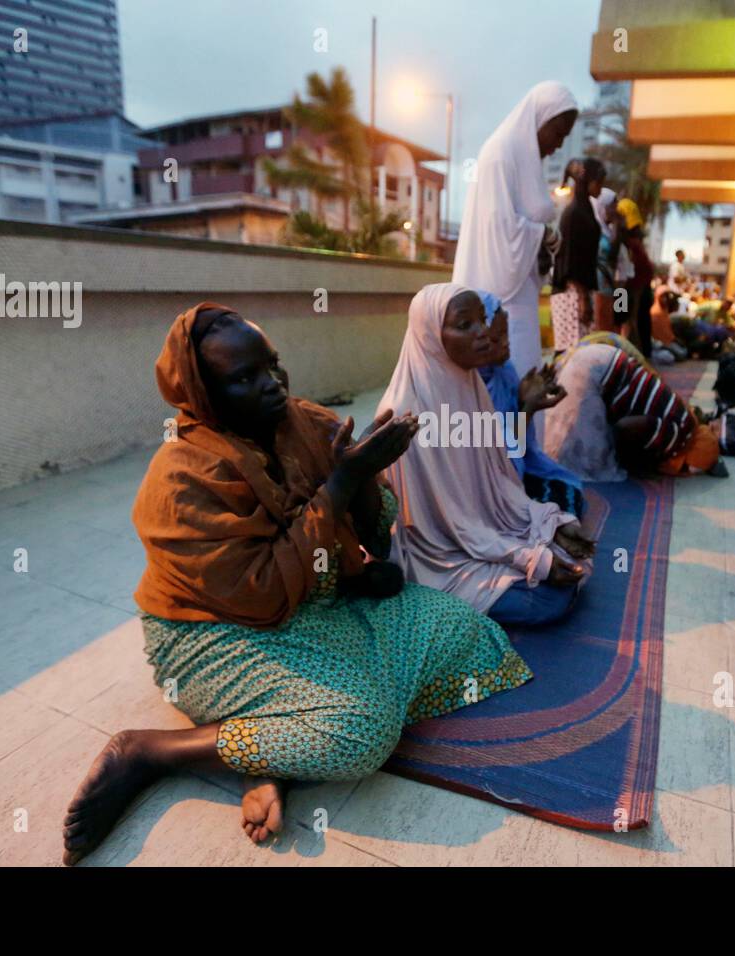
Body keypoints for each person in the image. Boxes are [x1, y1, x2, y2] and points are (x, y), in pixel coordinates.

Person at [61, 303, 534, 865]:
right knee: (359, 731)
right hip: (215, 636)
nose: (273, 386)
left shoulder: (303, 423)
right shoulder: (179, 478)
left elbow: (375, 537)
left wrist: (359, 481)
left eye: (273, 366)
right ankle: (151, 753)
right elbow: (257, 596)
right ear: (204, 394)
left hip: (313, 605)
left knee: (466, 630)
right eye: (244, 378)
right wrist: (339, 485)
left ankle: (269, 748)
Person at [379, 283, 596, 627]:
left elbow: (499, 482)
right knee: (546, 599)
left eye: (482, 320)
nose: (484, 334)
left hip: (481, 535)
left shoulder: (470, 388)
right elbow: (447, 526)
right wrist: (530, 558)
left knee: (565, 552)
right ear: (431, 335)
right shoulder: (407, 413)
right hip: (440, 554)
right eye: (465, 326)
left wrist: (549, 527)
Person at [453, 81, 578, 377]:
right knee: (509, 383)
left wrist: (542, 241)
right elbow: (498, 227)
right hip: (499, 297)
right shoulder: (500, 153)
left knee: (525, 381)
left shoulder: (525, 161)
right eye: (557, 133)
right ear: (540, 119)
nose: (558, 144)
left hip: (521, 293)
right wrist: (542, 235)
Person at [544, 341, 725, 482]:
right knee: (595, 463)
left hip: (599, 358)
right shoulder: (677, 438)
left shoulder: (687, 421)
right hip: (596, 372)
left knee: (566, 434)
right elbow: (625, 428)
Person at [478, 289, 586, 516]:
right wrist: (528, 408)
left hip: (514, 469)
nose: (507, 344)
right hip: (486, 481)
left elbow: (516, 442)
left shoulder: (503, 371)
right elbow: (498, 457)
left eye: (507, 335)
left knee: (566, 493)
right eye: (497, 339)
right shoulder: (465, 388)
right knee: (533, 513)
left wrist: (523, 400)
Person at [549, 157, 605, 352]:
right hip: (577, 292)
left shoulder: (587, 212)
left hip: (594, 291)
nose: (600, 186)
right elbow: (570, 259)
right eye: (598, 182)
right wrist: (582, 298)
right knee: (572, 352)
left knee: (583, 349)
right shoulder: (575, 214)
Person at [615, 198, 655, 358]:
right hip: (631, 285)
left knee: (625, 321)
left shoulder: (627, 242)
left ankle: (630, 357)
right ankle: (635, 356)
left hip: (624, 286)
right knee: (628, 321)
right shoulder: (635, 241)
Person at [591, 187, 620, 333]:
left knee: (618, 320)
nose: (615, 210)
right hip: (603, 284)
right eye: (612, 206)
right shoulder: (597, 230)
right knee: (602, 323)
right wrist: (617, 225)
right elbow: (612, 252)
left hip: (618, 288)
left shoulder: (612, 232)